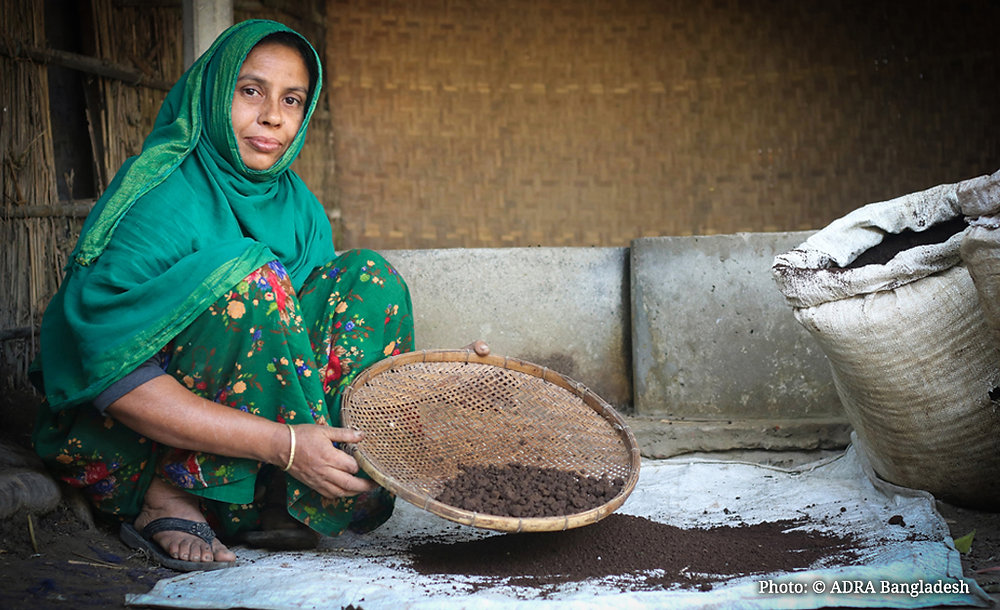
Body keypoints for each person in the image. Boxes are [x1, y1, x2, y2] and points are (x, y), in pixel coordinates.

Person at [30, 19, 488, 572]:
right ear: (213, 93)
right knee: (250, 275)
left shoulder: (298, 207)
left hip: (272, 456)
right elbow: (107, 373)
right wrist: (283, 445)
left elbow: (309, 344)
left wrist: (438, 387)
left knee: (368, 276)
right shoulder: (158, 198)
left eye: (292, 100)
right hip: (133, 446)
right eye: (251, 91)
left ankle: (279, 498)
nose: (273, 115)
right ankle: (169, 498)